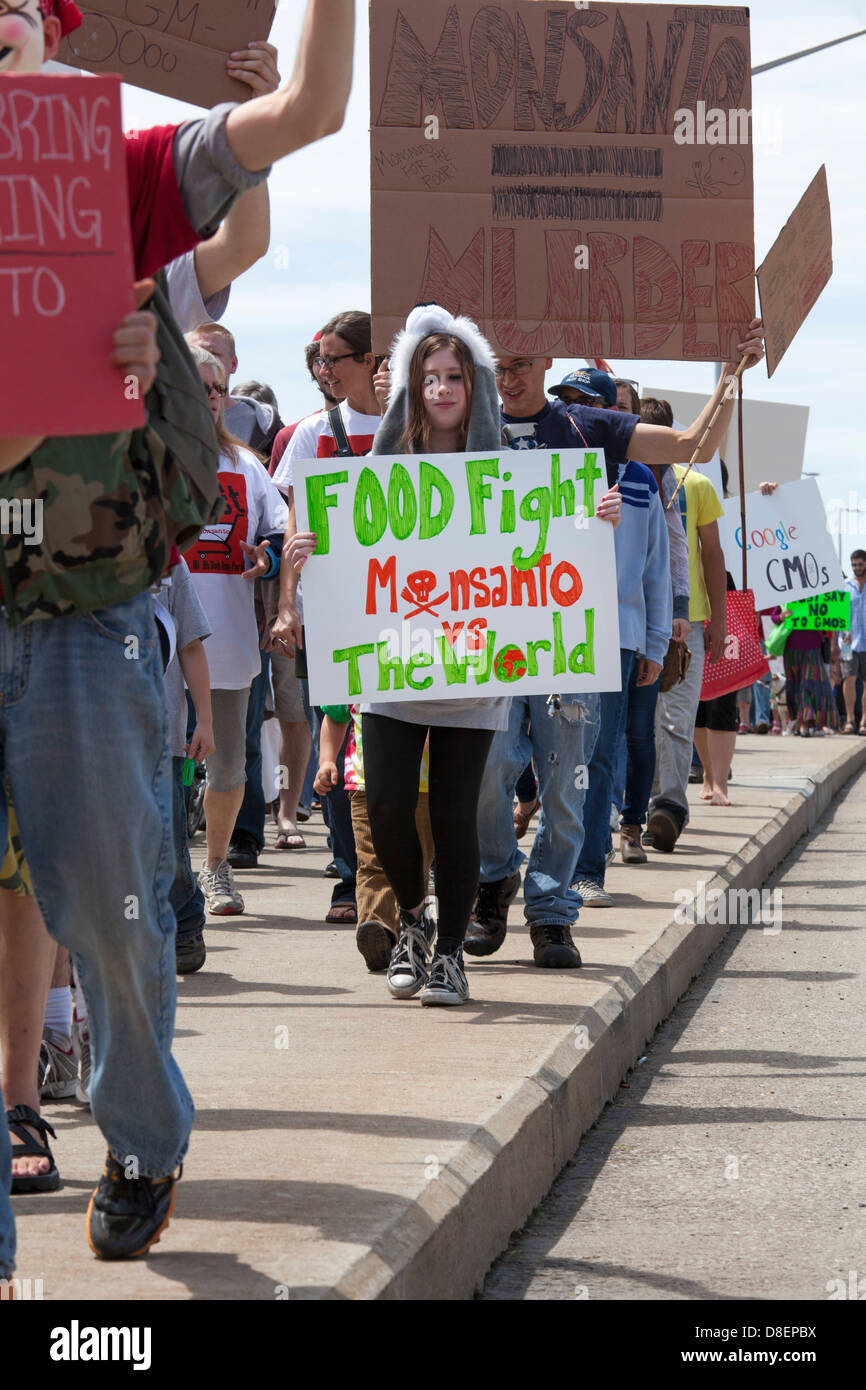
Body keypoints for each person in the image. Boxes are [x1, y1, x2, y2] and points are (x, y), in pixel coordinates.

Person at [0, 0, 356, 1275]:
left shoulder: (113, 170)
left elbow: (308, 112)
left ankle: (141, 1136)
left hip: (79, 611)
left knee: (107, 905)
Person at [280, 305, 512, 1004]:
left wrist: (593, 518)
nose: (442, 388)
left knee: (452, 816)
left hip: (473, 672)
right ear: (411, 386)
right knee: (382, 807)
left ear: (476, 388)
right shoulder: (377, 476)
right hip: (393, 665)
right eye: (430, 376)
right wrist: (307, 554)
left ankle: (448, 954)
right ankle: (413, 919)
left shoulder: (511, 475)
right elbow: (345, 547)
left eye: (455, 377)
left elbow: (551, 542)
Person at [184, 347, 288, 914]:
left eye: (214, 389)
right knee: (157, 765)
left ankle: (216, 866)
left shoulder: (247, 467)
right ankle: (168, 872)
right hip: (150, 645)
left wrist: (266, 561)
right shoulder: (142, 456)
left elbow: (279, 534)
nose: (207, 398)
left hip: (226, 641)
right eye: (194, 386)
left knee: (227, 764)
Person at [842, 550, 866, 734]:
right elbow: (838, 615)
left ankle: (864, 720)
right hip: (848, 643)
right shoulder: (844, 586)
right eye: (854, 565)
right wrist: (843, 633)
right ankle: (850, 719)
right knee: (848, 679)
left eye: (860, 564)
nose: (857, 568)